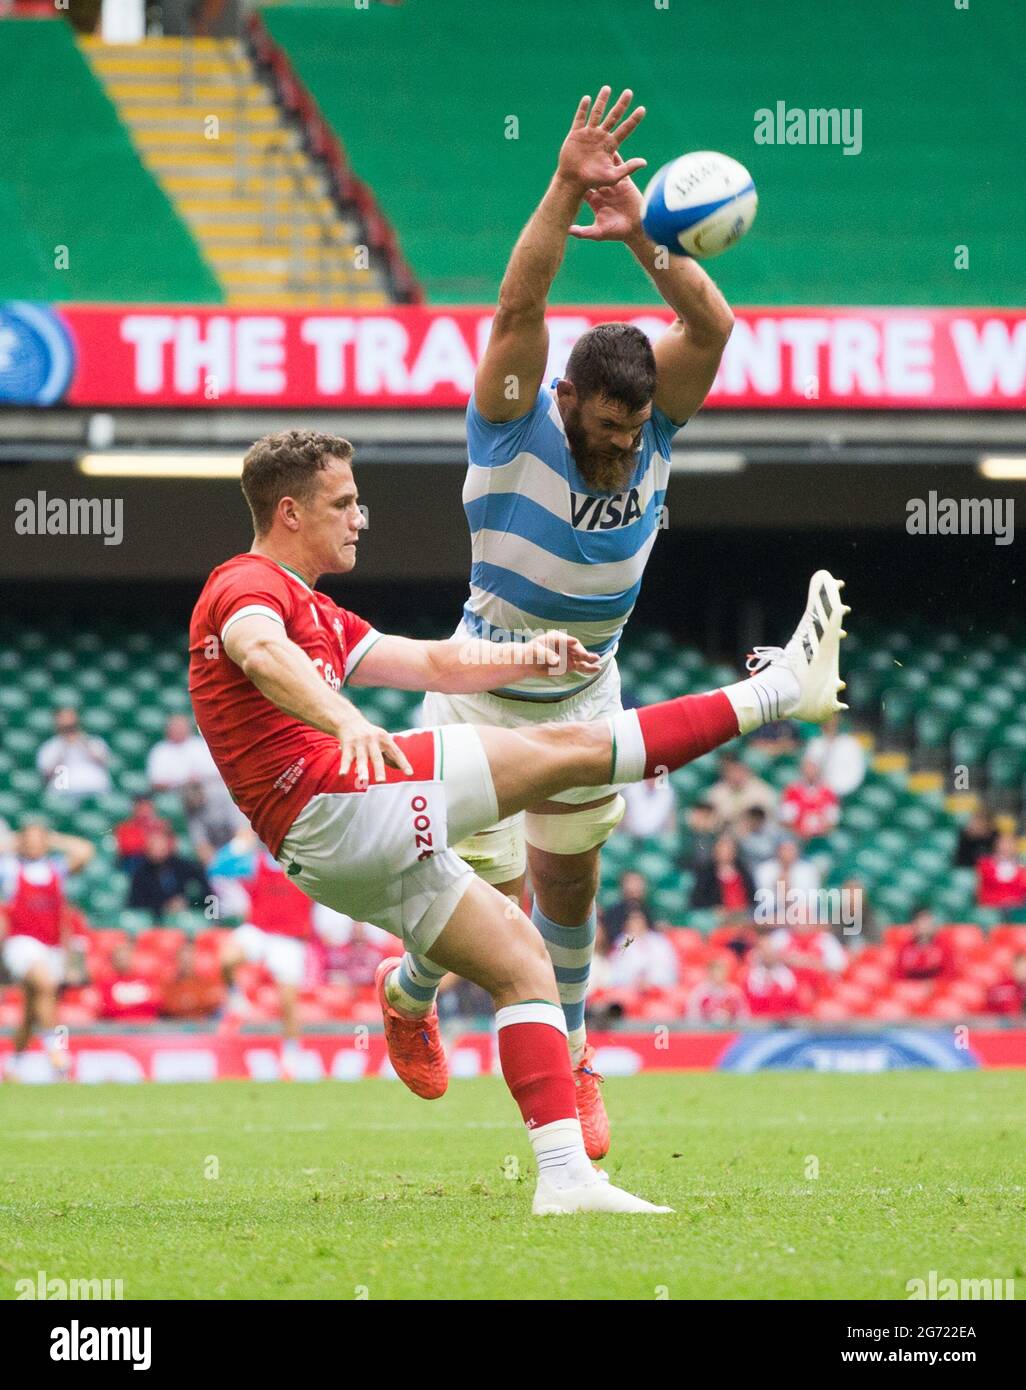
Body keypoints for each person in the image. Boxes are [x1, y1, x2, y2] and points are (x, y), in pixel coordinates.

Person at [187, 424, 847, 1214]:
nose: (361, 517)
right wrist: (346, 722)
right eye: (345, 502)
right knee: (563, 751)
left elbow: (432, 662)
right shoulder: (244, 585)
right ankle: (777, 695)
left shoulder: (318, 611)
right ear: (288, 512)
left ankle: (564, 1178)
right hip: (337, 798)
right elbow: (260, 653)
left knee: (520, 958)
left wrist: (528, 658)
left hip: (327, 843)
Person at [417, 85, 736, 1162]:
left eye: (634, 427)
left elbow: (712, 324)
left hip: (588, 691)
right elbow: (519, 309)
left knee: (571, 895)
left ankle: (581, 1053)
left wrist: (645, 229)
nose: (620, 446)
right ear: (566, 402)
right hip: (478, 687)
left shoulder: (652, 430)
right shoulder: (513, 428)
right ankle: (410, 991)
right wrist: (563, 185)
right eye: (605, 426)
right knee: (496, 916)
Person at [0, 821, 94, 1080]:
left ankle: (13, 1066)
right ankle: (57, 1054)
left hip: (51, 947)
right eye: (28, 839)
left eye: (37, 839)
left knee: (32, 1010)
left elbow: (85, 850)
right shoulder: (9, 868)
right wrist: (14, 843)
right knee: (43, 983)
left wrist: (53, 840)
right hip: (21, 944)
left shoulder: (56, 869)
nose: (33, 844)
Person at [221, 846, 314, 1078]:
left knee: (288, 1002)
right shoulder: (256, 861)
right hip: (259, 930)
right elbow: (217, 869)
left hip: (289, 939)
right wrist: (236, 844)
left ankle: (291, 1056)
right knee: (227, 958)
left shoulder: (308, 862)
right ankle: (235, 997)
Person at [126, 827, 211, 921]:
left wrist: (188, 902)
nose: (157, 852)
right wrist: (164, 907)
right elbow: (135, 904)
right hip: (157, 923)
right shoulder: (141, 873)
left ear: (169, 846)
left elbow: (206, 894)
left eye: (161, 847)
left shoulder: (186, 867)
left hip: (190, 918)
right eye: (153, 847)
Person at [36, 706, 112, 799]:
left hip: (95, 788)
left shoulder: (94, 742)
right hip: (64, 792)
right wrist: (64, 747)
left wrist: (83, 743)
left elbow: (104, 761)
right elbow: (47, 775)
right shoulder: (50, 747)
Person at [607, 910, 678, 992]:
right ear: (626, 924)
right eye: (632, 920)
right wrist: (636, 981)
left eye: (639, 920)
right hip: (630, 990)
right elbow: (616, 972)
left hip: (658, 988)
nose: (636, 923)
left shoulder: (659, 941)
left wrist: (651, 981)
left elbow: (670, 968)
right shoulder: (621, 942)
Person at [146, 714, 218, 793]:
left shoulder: (200, 745)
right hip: (175, 792)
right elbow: (156, 781)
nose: (178, 731)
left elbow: (215, 771)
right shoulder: (160, 751)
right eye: (175, 728)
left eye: (181, 727)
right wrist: (184, 781)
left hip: (206, 789)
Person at [706, 754, 776, 832]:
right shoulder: (717, 791)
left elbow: (766, 816)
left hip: (756, 832)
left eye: (739, 771)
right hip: (724, 831)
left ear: (747, 772)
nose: (736, 776)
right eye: (732, 772)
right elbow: (711, 816)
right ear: (725, 774)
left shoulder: (762, 790)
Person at [690, 834, 755, 916]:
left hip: (743, 914)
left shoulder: (743, 871)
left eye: (729, 849)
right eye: (722, 849)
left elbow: (752, 897)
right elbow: (698, 900)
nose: (726, 852)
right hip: (718, 917)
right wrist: (714, 909)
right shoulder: (707, 873)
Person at [97, 942, 160, 1024]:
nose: (123, 961)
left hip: (146, 1026)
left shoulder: (146, 980)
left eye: (126, 957)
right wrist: (138, 1005)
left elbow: (154, 1003)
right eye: (119, 958)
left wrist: (124, 1006)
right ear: (113, 961)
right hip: (118, 1027)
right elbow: (108, 1008)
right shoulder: (106, 983)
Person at [805, 714, 866, 797]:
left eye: (833, 719)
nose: (830, 722)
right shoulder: (815, 744)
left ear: (838, 720)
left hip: (847, 793)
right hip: (821, 794)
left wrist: (840, 791)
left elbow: (857, 774)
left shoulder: (850, 743)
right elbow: (809, 771)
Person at [780, 755, 840, 840]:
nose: (810, 772)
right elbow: (786, 820)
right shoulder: (792, 791)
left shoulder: (828, 791)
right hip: (798, 837)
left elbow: (832, 820)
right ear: (802, 770)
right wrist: (800, 834)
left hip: (821, 838)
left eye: (813, 768)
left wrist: (822, 834)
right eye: (807, 768)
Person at [160, 941, 224, 1020]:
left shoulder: (206, 983)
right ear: (177, 960)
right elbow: (167, 1005)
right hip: (176, 1028)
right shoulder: (169, 985)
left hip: (202, 1027)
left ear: (194, 959)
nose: (187, 964)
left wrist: (189, 1002)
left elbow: (215, 1001)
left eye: (189, 960)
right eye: (183, 960)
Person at [114, 795, 171, 872]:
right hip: (135, 863)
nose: (144, 811)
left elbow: (170, 846)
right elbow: (125, 848)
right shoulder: (125, 827)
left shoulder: (161, 825)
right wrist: (149, 842)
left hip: (158, 862)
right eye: (141, 808)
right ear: (135, 809)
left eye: (147, 807)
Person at [894, 909, 952, 982]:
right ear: (914, 925)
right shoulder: (905, 948)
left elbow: (948, 973)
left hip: (937, 989)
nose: (925, 926)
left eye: (928, 923)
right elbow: (899, 974)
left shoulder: (944, 947)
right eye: (922, 922)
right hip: (910, 989)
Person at [687, 956, 747, 1024]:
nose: (719, 974)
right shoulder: (699, 993)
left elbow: (743, 1016)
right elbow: (693, 1017)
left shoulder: (734, 993)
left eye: (721, 971)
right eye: (716, 971)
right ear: (709, 973)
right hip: (706, 1031)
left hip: (730, 1031)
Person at [976, 833, 1026, 912]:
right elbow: (979, 891)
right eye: (1003, 843)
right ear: (996, 845)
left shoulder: (1022, 869)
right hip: (990, 908)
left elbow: (1022, 895)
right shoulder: (984, 865)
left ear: (1016, 846)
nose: (1007, 847)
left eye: (1010, 843)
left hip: (1015, 909)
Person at [602, 869, 654, 941]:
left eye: (637, 882)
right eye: (630, 882)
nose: (633, 887)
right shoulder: (613, 913)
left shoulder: (651, 911)